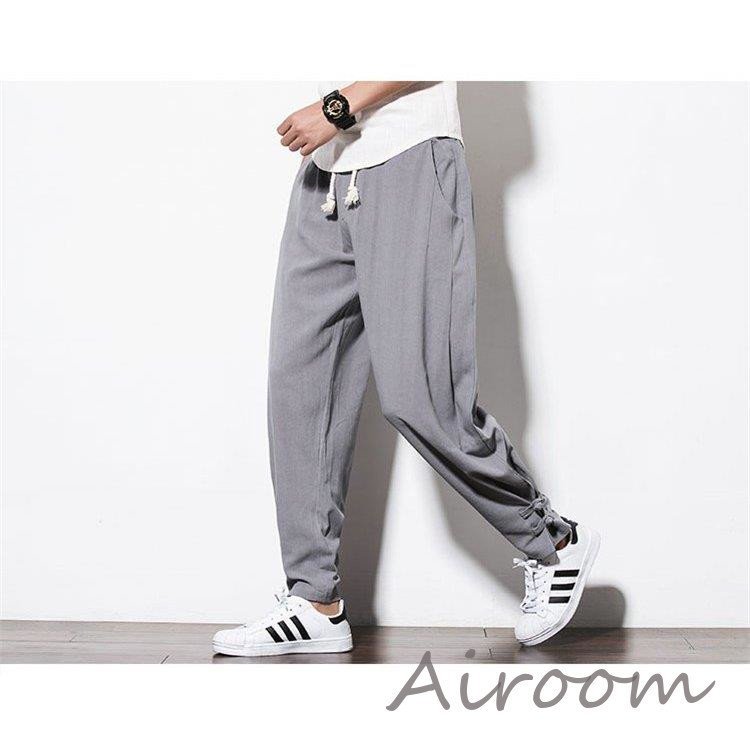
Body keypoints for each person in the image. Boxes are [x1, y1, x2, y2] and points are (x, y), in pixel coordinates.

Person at [213, 82, 600, 657]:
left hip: (409, 160)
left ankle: (554, 542)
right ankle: (314, 600)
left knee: (420, 397)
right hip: (326, 174)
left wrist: (336, 108)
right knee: (300, 391)